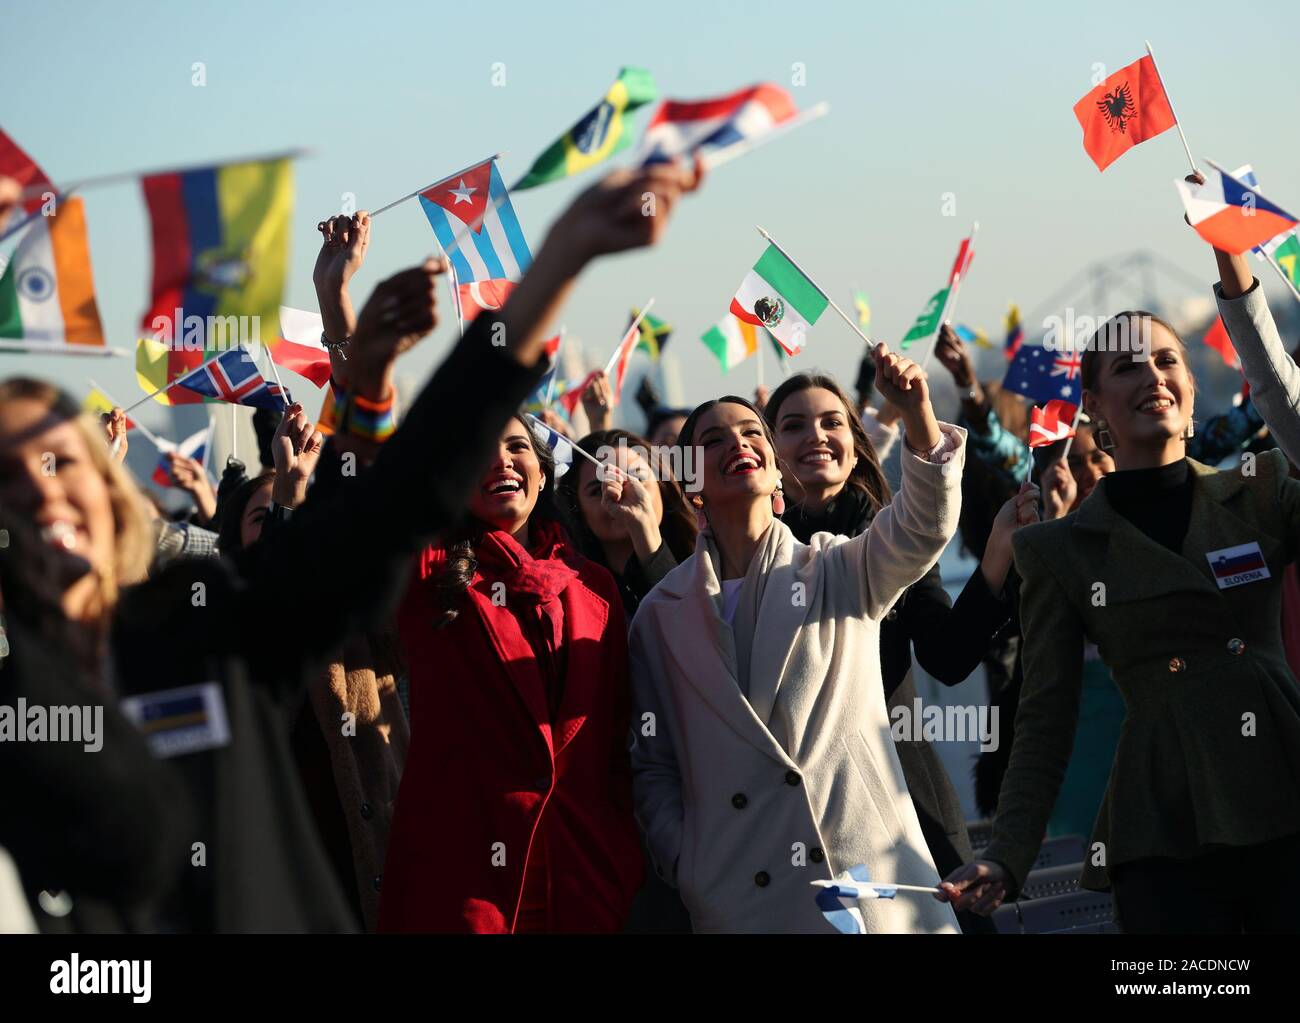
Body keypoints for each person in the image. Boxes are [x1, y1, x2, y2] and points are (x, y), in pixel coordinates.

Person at [0, 159, 704, 932]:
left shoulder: (207, 633)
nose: (39, 488)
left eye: (61, 459)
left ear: (110, 495)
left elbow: (385, 507)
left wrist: (559, 260)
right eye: (7, 474)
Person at [941, 288, 1300, 932]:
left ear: (1191, 389)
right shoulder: (1056, 549)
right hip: (1163, 828)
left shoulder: (1263, 487)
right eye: (1129, 367)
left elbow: (1285, 403)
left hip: (1284, 787)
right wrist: (1008, 855)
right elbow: (1046, 714)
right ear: (1095, 405)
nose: (1153, 377)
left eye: (1166, 362)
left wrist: (1239, 284)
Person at [629, 346, 968, 933]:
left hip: (866, 877)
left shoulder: (836, 568)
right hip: (742, 895)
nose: (738, 444)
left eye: (751, 432)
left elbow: (921, 527)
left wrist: (917, 415)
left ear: (775, 467)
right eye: (712, 440)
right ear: (689, 483)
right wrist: (690, 864)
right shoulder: (660, 615)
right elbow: (653, 764)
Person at [763, 371, 1036, 932]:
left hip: (899, 790)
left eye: (832, 422)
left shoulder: (891, 542)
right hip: (793, 810)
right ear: (767, 454)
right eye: (792, 426)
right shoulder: (749, 563)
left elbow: (948, 656)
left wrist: (996, 557)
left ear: (856, 446)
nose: (815, 435)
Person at [379, 412, 643, 932]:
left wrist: (618, 861)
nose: (500, 459)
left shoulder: (595, 587)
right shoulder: (429, 574)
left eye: (517, 446)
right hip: (467, 890)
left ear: (542, 473)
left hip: (583, 887)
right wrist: (346, 348)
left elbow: (616, 741)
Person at [556, 428, 697, 616]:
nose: (622, 494)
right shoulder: (571, 599)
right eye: (598, 490)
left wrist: (645, 533)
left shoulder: (710, 562)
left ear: (662, 487)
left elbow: (690, 626)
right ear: (577, 510)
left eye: (637, 478)